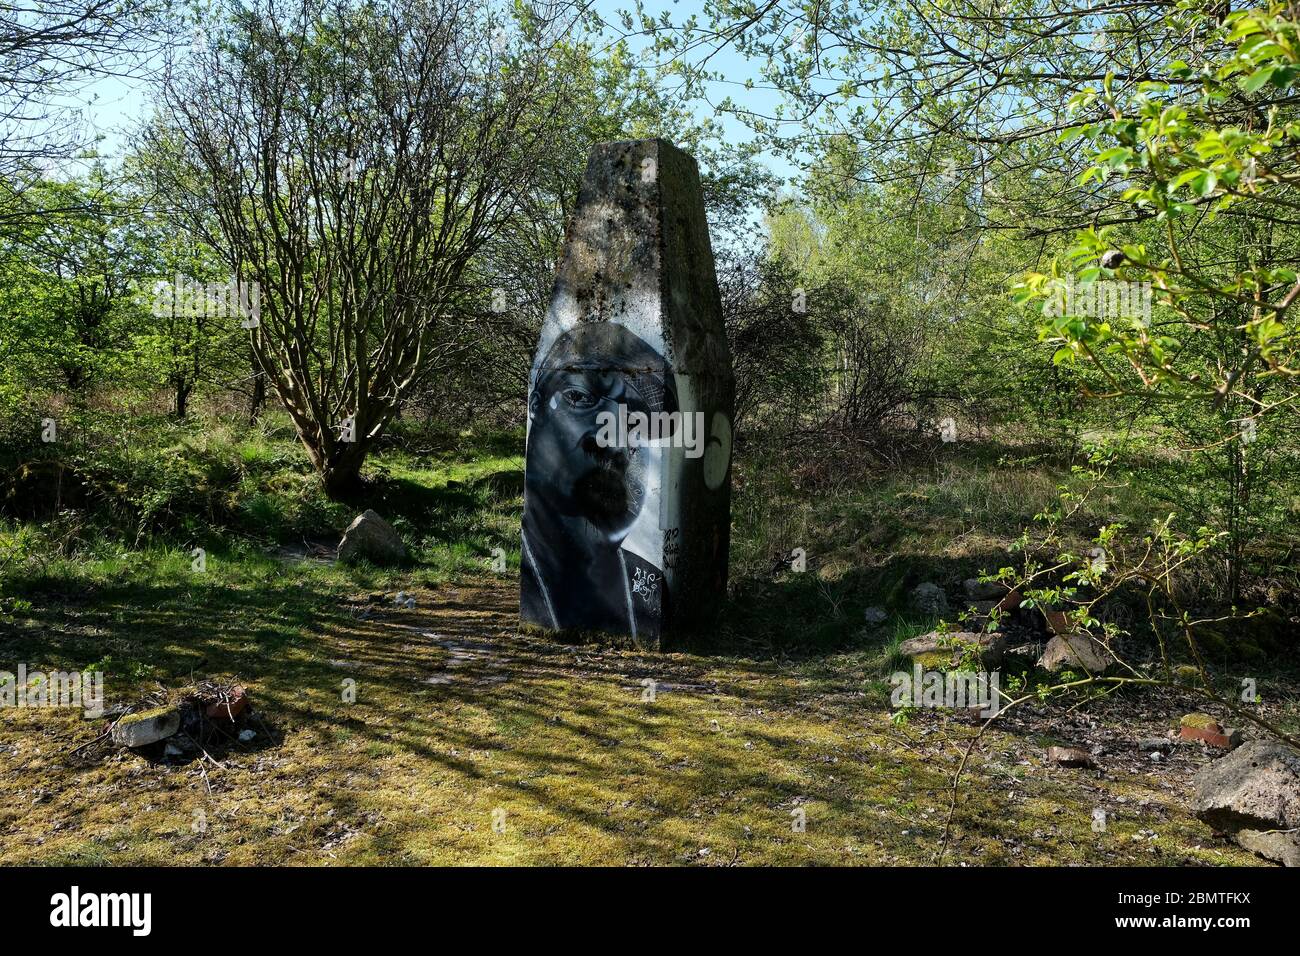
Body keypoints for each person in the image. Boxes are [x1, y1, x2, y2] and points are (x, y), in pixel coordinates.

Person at [521, 322, 675, 642]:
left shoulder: (646, 585)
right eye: (580, 398)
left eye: (635, 419)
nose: (612, 438)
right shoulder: (537, 578)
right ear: (536, 406)